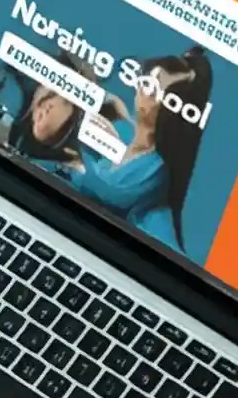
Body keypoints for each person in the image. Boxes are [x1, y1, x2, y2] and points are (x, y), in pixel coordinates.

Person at [61, 47, 213, 253]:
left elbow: (112, 194)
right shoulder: (122, 130)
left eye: (156, 90)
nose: (143, 93)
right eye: (144, 82)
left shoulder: (159, 166)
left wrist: (76, 159)